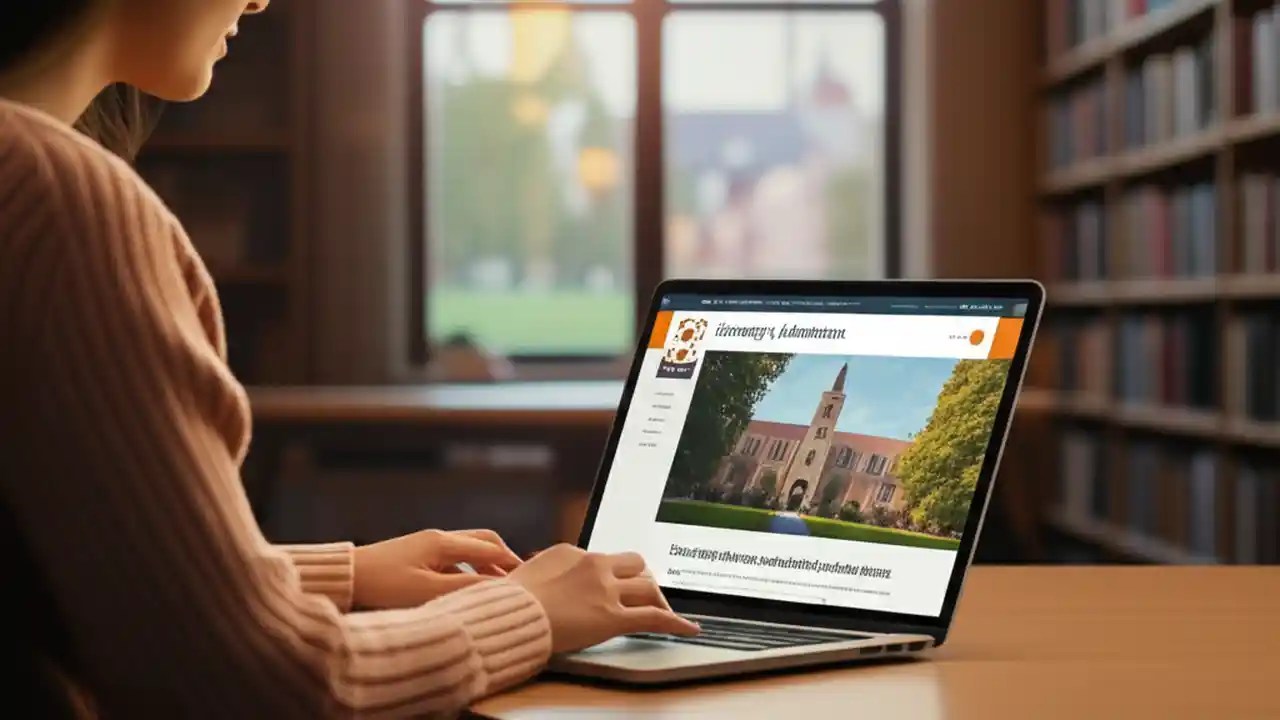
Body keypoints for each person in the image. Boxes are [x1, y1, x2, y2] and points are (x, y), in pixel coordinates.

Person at [0, 1, 698, 717]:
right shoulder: (55, 197)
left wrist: (345, 573)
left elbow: (75, 574)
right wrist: (530, 611)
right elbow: (268, 685)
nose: (262, 1)